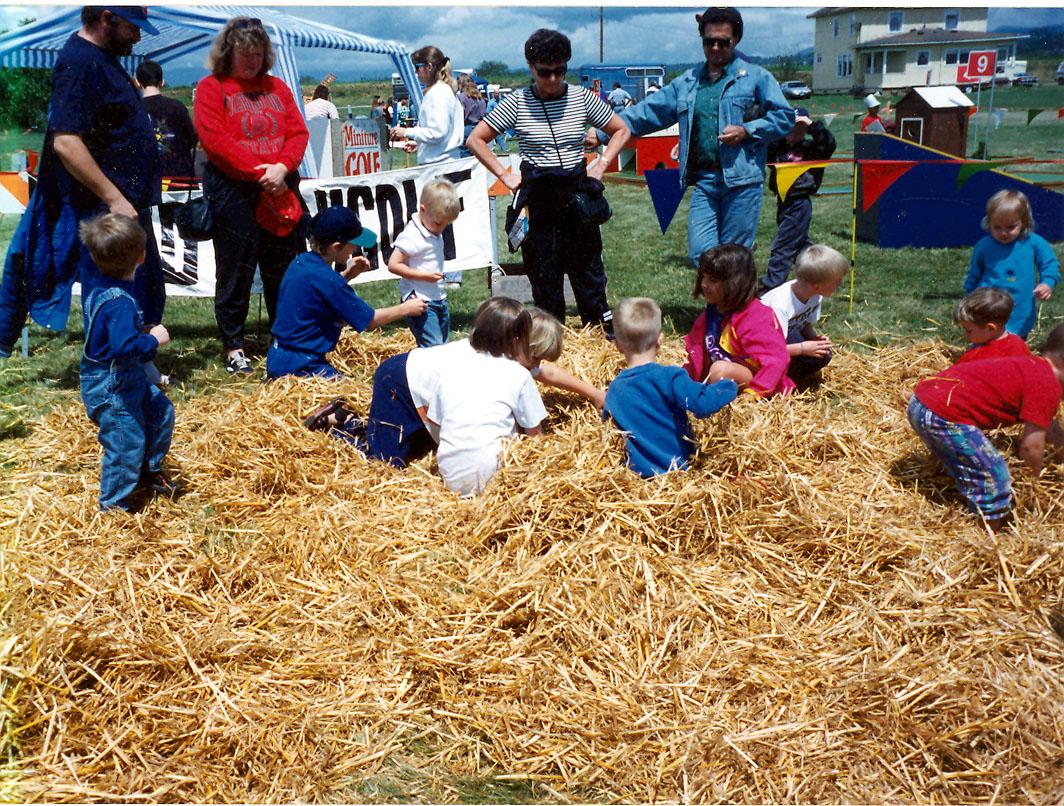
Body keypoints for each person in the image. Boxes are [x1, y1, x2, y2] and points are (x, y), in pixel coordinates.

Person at [0, 6, 165, 357]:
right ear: (106, 18)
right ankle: (111, 373)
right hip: (106, 206)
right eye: (132, 27)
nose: (137, 36)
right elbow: (66, 143)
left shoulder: (101, 59)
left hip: (123, 203)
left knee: (140, 291)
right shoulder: (79, 62)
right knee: (112, 296)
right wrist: (115, 198)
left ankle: (134, 366)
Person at [601, 7, 793, 267]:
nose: (715, 48)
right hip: (705, 181)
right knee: (701, 256)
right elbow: (646, 113)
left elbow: (785, 117)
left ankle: (738, 287)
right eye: (708, 41)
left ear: (736, 40)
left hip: (743, 181)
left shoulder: (757, 77)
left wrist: (747, 130)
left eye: (723, 42)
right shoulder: (687, 82)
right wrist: (602, 131)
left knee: (733, 259)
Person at [467, 28, 632, 331]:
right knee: (545, 275)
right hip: (539, 198)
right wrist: (504, 174)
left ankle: (598, 334)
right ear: (532, 68)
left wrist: (602, 163)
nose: (553, 79)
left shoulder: (582, 98)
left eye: (560, 71)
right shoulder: (517, 103)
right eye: (545, 72)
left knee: (589, 272)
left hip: (576, 194)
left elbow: (621, 130)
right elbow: (476, 139)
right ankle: (550, 338)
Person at [313, 307, 605, 468]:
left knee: (417, 449)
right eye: (536, 356)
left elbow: (545, 372)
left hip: (422, 392)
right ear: (518, 343)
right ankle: (342, 426)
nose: (537, 365)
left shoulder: (506, 353)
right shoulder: (495, 361)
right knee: (385, 463)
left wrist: (593, 394)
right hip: (400, 382)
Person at [194, 16, 310, 376]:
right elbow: (216, 141)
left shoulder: (278, 88)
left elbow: (297, 132)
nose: (252, 61)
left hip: (280, 186)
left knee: (283, 268)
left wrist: (283, 167)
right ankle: (234, 345)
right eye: (245, 54)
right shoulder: (212, 88)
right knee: (235, 271)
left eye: (258, 54)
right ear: (229, 53)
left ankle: (284, 337)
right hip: (236, 192)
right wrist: (263, 173)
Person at [906, 322, 1064, 532]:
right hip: (942, 415)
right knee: (994, 475)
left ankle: (968, 493)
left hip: (923, 401)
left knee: (972, 463)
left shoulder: (1033, 366)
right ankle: (989, 533)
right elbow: (1031, 447)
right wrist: (1032, 486)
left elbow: (1049, 426)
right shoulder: (1047, 384)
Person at [77, 213, 176, 511]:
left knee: (161, 410)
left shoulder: (102, 290)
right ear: (142, 257)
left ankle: (148, 468)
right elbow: (124, 348)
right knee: (124, 442)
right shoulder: (119, 302)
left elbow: (114, 336)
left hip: (124, 379)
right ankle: (113, 506)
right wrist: (153, 340)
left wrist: (139, 331)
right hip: (112, 387)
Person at [264, 207, 425, 380]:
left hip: (277, 357)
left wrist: (347, 275)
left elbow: (319, 293)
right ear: (336, 247)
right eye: (353, 244)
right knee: (356, 396)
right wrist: (406, 308)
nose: (355, 248)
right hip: (303, 366)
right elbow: (370, 320)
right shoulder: (331, 282)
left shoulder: (301, 262)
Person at [604, 297, 738, 477]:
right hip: (678, 470)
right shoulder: (670, 377)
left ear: (618, 346)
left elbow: (609, 430)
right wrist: (728, 386)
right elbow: (702, 404)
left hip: (637, 476)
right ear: (660, 340)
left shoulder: (614, 389)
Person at [428, 298, 547, 496]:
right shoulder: (518, 374)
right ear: (517, 341)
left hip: (451, 475)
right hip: (498, 474)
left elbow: (435, 423)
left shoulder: (450, 370)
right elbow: (535, 436)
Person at [684, 243, 794, 397]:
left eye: (712, 280)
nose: (704, 284)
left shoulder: (756, 317)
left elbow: (776, 360)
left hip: (762, 385)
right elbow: (696, 355)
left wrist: (754, 394)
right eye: (703, 277)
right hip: (724, 377)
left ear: (735, 283)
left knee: (719, 370)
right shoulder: (710, 315)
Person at [964, 190, 1059, 339]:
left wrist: (1047, 283)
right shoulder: (984, 246)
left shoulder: (1033, 242)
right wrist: (969, 295)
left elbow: (1049, 264)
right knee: (985, 338)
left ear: (1024, 222)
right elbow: (975, 272)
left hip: (1020, 306)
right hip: (988, 304)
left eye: (1010, 227)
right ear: (989, 223)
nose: (1003, 233)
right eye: (997, 227)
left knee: (1015, 339)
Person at [762, 107, 836, 291]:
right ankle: (820, 275)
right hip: (783, 202)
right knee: (801, 246)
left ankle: (771, 286)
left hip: (799, 203)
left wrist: (812, 126)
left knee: (783, 245)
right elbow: (766, 145)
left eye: (799, 128)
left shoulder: (813, 149)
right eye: (790, 127)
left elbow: (829, 143)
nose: (794, 132)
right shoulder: (778, 148)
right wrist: (782, 131)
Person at [136, 59, 199, 276]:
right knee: (186, 222)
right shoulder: (177, 107)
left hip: (152, 178)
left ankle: (167, 266)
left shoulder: (135, 109)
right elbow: (191, 139)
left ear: (138, 82)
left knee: (163, 222)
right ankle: (190, 268)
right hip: (181, 177)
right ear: (162, 81)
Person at [387, 178, 461, 347]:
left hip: (438, 296)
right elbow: (393, 264)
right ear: (423, 210)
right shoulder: (411, 236)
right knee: (433, 348)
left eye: (446, 225)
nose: (441, 229)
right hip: (419, 299)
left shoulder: (432, 228)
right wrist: (424, 276)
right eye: (438, 223)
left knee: (442, 346)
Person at [760, 244, 847, 384]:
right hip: (758, 347)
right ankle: (773, 381)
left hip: (785, 337)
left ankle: (789, 379)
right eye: (837, 282)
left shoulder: (815, 295)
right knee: (799, 351)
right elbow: (769, 349)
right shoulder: (780, 304)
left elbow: (805, 324)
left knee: (823, 354)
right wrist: (802, 349)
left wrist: (814, 338)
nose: (840, 285)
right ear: (817, 286)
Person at [389, 46, 463, 164]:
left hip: (439, 166)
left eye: (417, 67)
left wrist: (406, 132)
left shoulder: (438, 93)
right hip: (446, 162)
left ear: (429, 67)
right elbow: (443, 136)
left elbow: (437, 132)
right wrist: (421, 145)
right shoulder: (446, 91)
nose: (416, 72)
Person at [953, 288, 1031, 364]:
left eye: (968, 331)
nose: (965, 335)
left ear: (990, 328)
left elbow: (955, 372)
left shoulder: (976, 357)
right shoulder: (1018, 343)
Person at [457, 74, 487, 152]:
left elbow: (459, 115)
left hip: (467, 128)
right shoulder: (480, 98)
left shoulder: (460, 97)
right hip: (480, 128)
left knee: (465, 154)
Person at [485, 87, 508, 154]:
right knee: (498, 135)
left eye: (498, 93)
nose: (497, 94)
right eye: (496, 93)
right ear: (493, 94)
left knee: (498, 136)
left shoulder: (501, 101)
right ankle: (504, 149)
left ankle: (497, 149)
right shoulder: (490, 103)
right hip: (494, 121)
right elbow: (488, 113)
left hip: (501, 121)